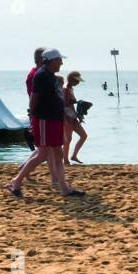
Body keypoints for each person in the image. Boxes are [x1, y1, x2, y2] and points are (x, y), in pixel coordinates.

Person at [5, 49, 83, 197]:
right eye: (59, 60)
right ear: (51, 61)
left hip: (54, 120)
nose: (61, 62)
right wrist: (33, 120)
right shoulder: (41, 76)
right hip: (44, 120)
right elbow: (34, 99)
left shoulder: (51, 76)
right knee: (42, 155)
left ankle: (64, 188)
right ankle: (16, 182)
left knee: (58, 154)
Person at [62, 71, 87, 164]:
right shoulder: (65, 88)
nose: (78, 83)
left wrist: (78, 115)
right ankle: (65, 160)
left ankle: (73, 155)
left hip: (72, 116)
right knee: (68, 139)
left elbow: (71, 105)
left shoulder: (70, 88)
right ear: (71, 79)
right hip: (67, 116)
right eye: (76, 81)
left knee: (83, 135)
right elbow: (64, 104)